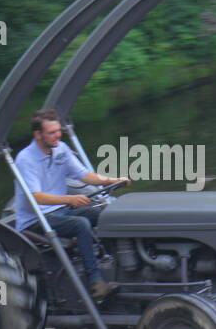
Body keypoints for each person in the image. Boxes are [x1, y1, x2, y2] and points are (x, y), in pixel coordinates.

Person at [11, 109, 128, 302]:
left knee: (103, 213)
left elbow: (84, 175)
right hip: (36, 218)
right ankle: (96, 283)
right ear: (38, 135)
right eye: (51, 132)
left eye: (58, 131)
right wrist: (69, 199)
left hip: (60, 211)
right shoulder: (25, 159)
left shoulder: (61, 149)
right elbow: (37, 197)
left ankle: (116, 264)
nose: (57, 135)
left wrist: (112, 180)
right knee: (80, 223)